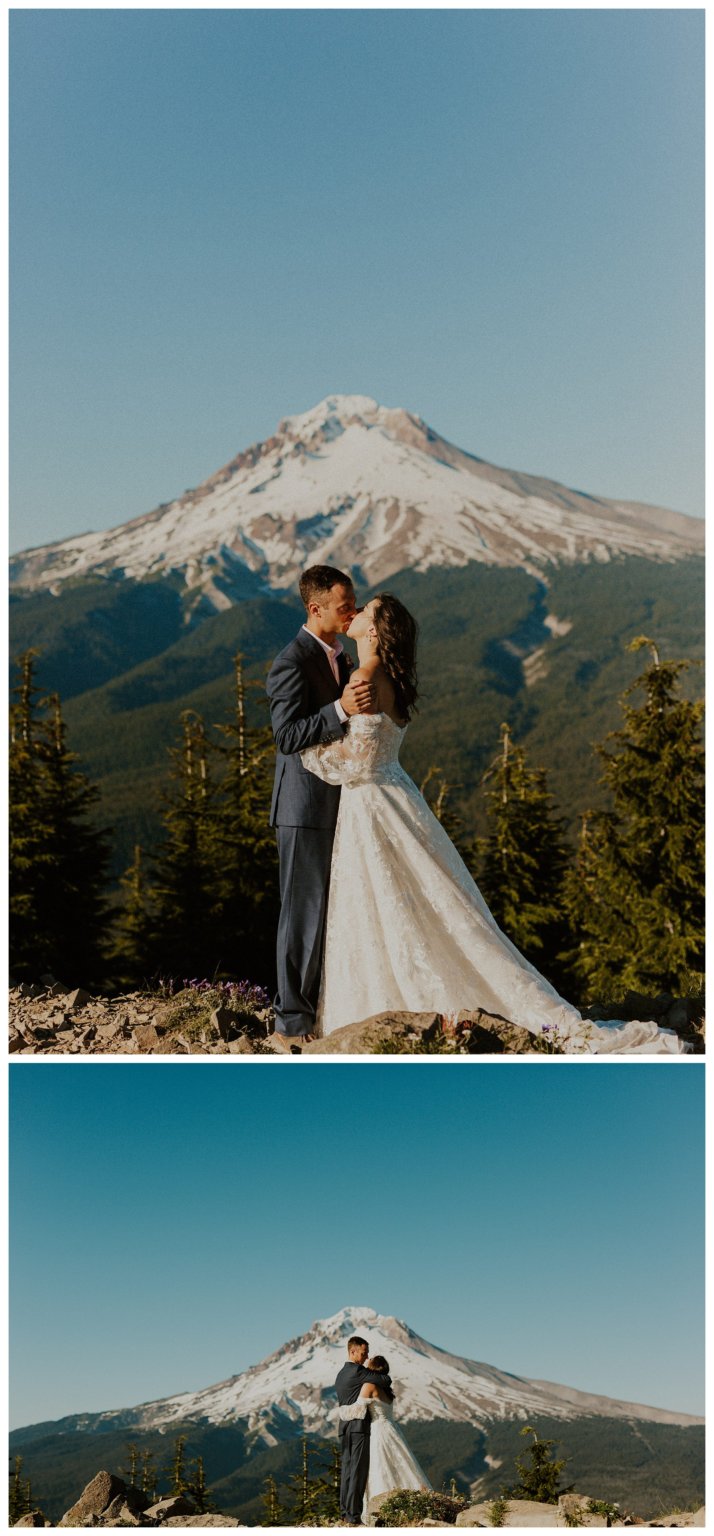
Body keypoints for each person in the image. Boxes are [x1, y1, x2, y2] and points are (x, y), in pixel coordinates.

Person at [300, 592, 688, 1054]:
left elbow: (359, 762)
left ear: (376, 630)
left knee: (382, 901)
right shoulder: (392, 681)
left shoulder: (366, 676)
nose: (357, 610)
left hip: (371, 804)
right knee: (420, 901)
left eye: (366, 609)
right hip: (395, 796)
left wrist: (310, 754)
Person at [266, 565, 374, 1050]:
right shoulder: (291, 660)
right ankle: (291, 1022)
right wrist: (340, 712)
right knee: (303, 913)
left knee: (335, 910)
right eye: (343, 605)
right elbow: (286, 735)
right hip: (303, 804)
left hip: (341, 800)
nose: (351, 610)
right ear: (316, 609)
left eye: (353, 602)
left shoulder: (342, 657)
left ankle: (327, 1008)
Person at [339, 1354, 432, 1524]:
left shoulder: (369, 1386)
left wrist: (341, 1410)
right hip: (392, 1430)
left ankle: (380, 1509)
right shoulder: (388, 1391)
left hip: (378, 1431)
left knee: (378, 1467)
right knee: (399, 1465)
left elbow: (357, 1410)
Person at [335, 1335, 394, 1526]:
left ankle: (344, 1513)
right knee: (358, 1472)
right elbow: (384, 1379)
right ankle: (353, 1516)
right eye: (364, 1352)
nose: (366, 1356)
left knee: (347, 1472)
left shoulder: (341, 1373)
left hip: (344, 1427)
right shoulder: (359, 1372)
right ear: (353, 1351)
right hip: (359, 1427)